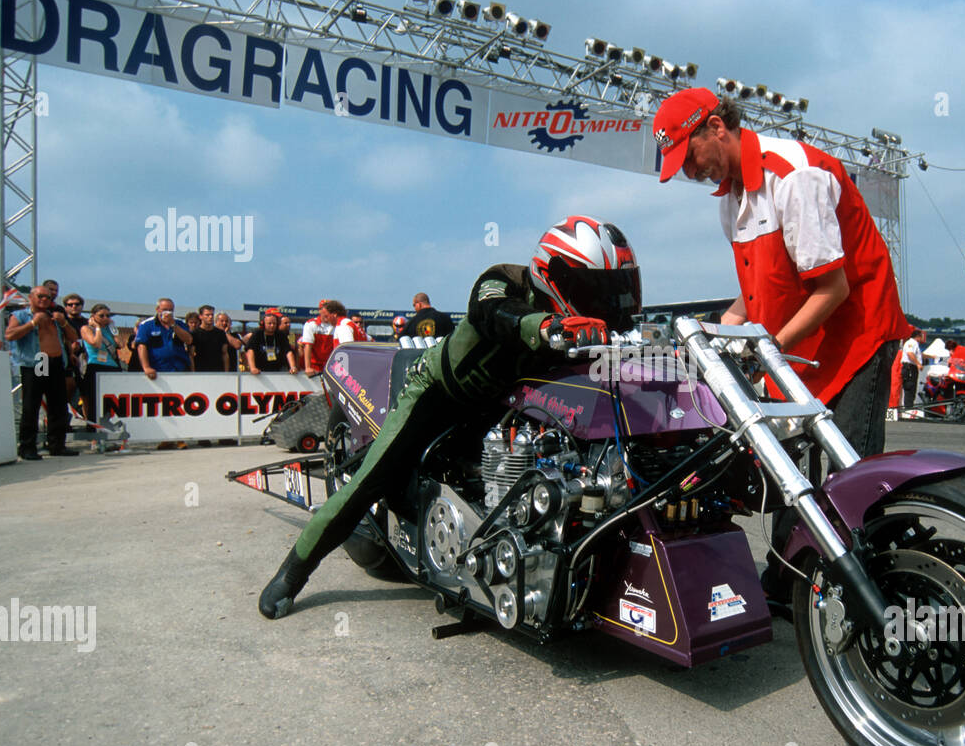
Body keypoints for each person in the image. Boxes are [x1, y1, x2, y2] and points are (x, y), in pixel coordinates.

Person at [259, 215, 637, 619]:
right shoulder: (504, 280)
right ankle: (290, 575)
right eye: (594, 289)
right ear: (553, 275)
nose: (605, 304)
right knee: (369, 482)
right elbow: (492, 311)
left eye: (615, 291)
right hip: (436, 394)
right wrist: (544, 325)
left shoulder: (592, 327)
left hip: (500, 407)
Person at [651, 87, 911, 457]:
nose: (691, 173)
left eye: (689, 157)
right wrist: (715, 334)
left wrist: (769, 349)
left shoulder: (793, 175)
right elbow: (760, 285)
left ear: (716, 127)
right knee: (786, 484)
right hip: (799, 346)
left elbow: (832, 287)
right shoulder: (729, 201)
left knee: (853, 477)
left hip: (857, 335)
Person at [4, 285, 80, 458]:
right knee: (32, 405)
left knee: (59, 406)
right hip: (38, 361)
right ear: (31, 297)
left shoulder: (55, 316)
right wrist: (32, 323)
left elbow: (74, 337)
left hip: (56, 362)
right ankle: (27, 447)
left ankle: (57, 445)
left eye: (48, 297)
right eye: (40, 296)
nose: (45, 300)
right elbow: (10, 335)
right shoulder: (21, 315)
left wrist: (64, 322)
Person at [79, 302, 123, 422]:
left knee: (110, 400)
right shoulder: (87, 328)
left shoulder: (109, 329)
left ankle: (107, 423)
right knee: (94, 400)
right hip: (96, 366)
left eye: (108, 316)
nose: (105, 318)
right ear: (93, 316)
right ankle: (93, 429)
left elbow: (120, 344)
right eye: (101, 316)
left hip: (112, 366)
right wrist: (97, 328)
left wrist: (113, 329)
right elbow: (96, 343)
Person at [133, 298, 193, 378]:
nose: (167, 313)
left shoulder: (180, 323)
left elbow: (189, 340)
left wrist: (173, 325)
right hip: (158, 369)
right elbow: (141, 346)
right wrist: (146, 367)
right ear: (157, 309)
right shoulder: (146, 325)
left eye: (170, 310)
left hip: (180, 369)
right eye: (165, 310)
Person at [245, 309, 298, 374]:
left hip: (278, 369)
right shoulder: (257, 334)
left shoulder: (281, 335)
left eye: (274, 323)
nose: (272, 326)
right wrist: (253, 368)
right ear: (263, 324)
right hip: (260, 369)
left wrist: (293, 367)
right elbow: (250, 350)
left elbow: (288, 352)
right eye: (269, 323)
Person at [192, 304, 230, 372]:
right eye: (207, 315)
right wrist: (193, 372)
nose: (210, 317)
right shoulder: (195, 333)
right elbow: (191, 354)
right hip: (200, 370)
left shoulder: (220, 333)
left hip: (218, 370)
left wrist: (226, 372)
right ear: (200, 316)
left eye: (212, 315)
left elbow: (225, 353)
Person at [900, 329, 925, 409]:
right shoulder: (912, 343)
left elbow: (919, 355)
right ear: (918, 336)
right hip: (909, 367)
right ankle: (908, 408)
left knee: (912, 388)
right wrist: (918, 364)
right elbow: (910, 353)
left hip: (911, 367)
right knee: (910, 388)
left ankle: (909, 407)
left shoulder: (914, 344)